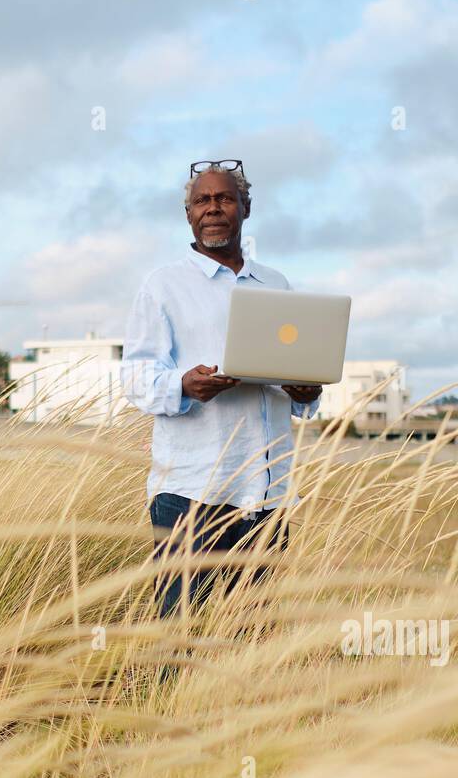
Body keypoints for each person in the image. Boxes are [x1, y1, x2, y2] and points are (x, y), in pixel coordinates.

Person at [121, 160, 322, 618]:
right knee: (182, 634)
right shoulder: (162, 286)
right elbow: (135, 379)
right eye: (202, 200)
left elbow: (294, 380)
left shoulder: (277, 284)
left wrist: (305, 393)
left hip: (267, 495)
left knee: (252, 638)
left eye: (225, 198)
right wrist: (184, 385)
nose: (213, 207)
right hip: (191, 494)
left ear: (245, 208)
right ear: (188, 214)